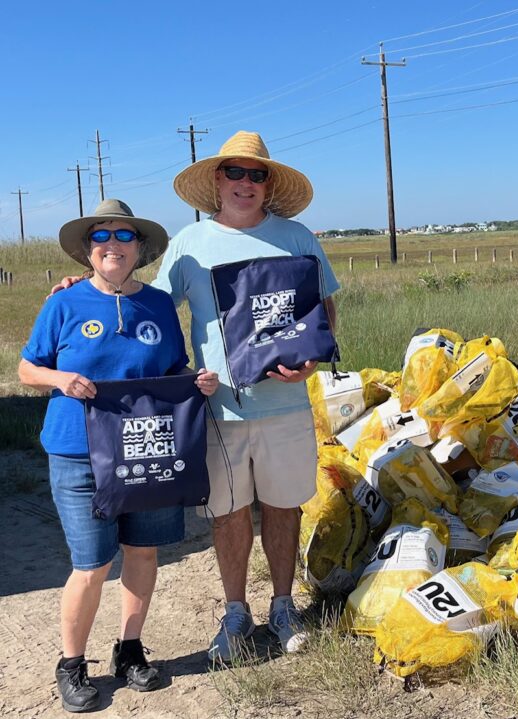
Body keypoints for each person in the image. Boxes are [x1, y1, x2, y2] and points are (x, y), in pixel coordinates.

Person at [19, 200, 219, 713]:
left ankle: (129, 650)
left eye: (124, 235)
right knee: (91, 564)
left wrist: (197, 382)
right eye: (101, 235)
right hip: (78, 453)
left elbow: (175, 370)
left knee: (144, 553)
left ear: (140, 247)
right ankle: (71, 663)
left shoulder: (156, 305)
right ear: (88, 250)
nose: (112, 242)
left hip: (147, 449)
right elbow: (26, 369)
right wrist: (60, 379)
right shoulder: (63, 304)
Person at [156, 131, 339, 662]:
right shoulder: (189, 244)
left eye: (256, 175)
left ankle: (284, 606)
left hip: (286, 406)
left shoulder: (297, 236)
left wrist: (309, 362)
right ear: (217, 180)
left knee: (284, 509)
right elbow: (155, 309)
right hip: (220, 411)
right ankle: (236, 613)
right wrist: (86, 288)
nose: (245, 183)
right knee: (229, 513)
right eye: (234, 172)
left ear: (268, 183)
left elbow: (323, 310)